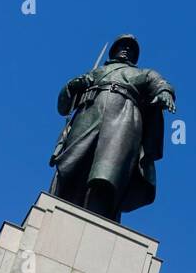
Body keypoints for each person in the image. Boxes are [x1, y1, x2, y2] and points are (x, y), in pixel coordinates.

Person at [49, 33, 176, 222]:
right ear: (113, 50)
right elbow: (63, 107)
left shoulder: (142, 73)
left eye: (131, 48)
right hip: (88, 115)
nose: (126, 49)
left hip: (122, 119)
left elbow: (160, 84)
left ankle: (99, 215)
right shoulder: (95, 72)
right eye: (122, 46)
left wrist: (166, 93)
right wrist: (74, 85)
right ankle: (60, 209)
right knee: (71, 166)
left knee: (108, 172)